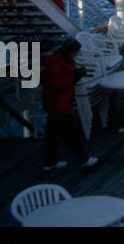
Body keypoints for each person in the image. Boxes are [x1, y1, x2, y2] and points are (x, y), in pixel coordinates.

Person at [41, 39, 99, 171]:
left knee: (53, 135)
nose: (77, 55)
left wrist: (75, 75)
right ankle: (83, 159)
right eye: (76, 52)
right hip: (58, 104)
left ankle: (50, 162)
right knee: (70, 134)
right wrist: (74, 78)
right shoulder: (56, 64)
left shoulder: (61, 61)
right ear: (70, 52)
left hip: (59, 102)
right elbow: (55, 85)